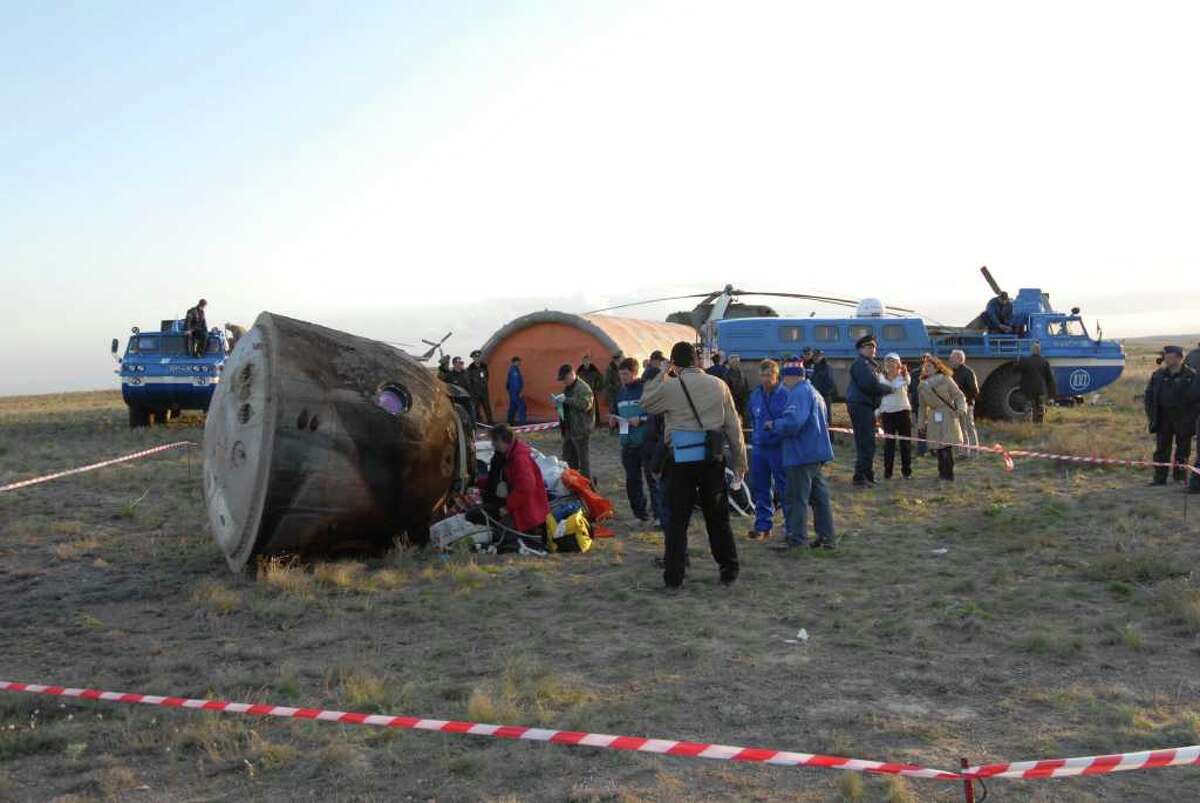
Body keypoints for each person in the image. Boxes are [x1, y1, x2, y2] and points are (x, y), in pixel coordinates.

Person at [641, 341, 747, 589]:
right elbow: (734, 426)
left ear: (674, 364)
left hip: (679, 460)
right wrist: (741, 461)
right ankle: (728, 569)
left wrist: (663, 374)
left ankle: (674, 576)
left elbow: (645, 401)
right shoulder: (718, 385)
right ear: (698, 361)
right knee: (717, 517)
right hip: (712, 458)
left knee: (677, 520)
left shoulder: (671, 386)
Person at [769, 357, 836, 550]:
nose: (782, 383)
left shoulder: (798, 394)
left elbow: (793, 422)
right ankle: (826, 537)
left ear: (790, 377)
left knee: (796, 498)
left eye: (784, 378)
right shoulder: (814, 392)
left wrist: (774, 425)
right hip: (816, 452)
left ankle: (796, 539)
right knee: (819, 498)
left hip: (800, 453)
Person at [467, 424, 550, 548]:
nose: (493, 444)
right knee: (474, 515)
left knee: (504, 541)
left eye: (495, 441)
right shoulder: (505, 456)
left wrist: (507, 507)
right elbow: (495, 480)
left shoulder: (519, 459)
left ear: (504, 440)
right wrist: (476, 482)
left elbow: (526, 487)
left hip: (521, 512)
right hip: (511, 506)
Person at [746, 360, 790, 540]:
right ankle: (763, 526)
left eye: (769, 376)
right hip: (759, 448)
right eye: (762, 376)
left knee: (784, 487)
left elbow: (789, 421)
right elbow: (751, 417)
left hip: (779, 448)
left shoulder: (786, 395)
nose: (765, 380)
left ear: (776, 375)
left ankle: (790, 526)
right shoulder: (755, 395)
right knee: (761, 487)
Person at [1144, 346, 1198, 485]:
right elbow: (1149, 396)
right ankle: (1159, 478)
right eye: (1166, 357)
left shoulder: (1191, 375)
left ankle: (1179, 478)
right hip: (1163, 418)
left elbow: (1196, 399)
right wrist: (1151, 414)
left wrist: (1192, 417)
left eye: (1170, 357)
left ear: (1180, 358)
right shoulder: (1158, 375)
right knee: (1161, 449)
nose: (1167, 359)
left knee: (1183, 450)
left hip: (1183, 418)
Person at [612, 357, 658, 523]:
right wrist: (614, 421)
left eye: (625, 374)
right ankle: (640, 514)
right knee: (632, 481)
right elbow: (616, 411)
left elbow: (655, 413)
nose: (622, 378)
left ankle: (658, 515)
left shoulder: (645, 390)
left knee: (652, 480)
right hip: (628, 443)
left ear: (634, 373)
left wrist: (641, 419)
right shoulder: (620, 393)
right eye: (620, 374)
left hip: (645, 442)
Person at [845, 334, 894, 486]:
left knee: (868, 442)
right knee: (865, 442)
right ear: (860, 349)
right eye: (868, 346)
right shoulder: (861, 364)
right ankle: (860, 477)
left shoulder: (870, 365)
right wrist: (889, 389)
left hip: (866, 406)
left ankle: (867, 474)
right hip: (861, 406)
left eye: (874, 346)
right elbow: (868, 385)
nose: (872, 349)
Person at [916, 356, 968, 481]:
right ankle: (941, 473)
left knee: (946, 446)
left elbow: (959, 395)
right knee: (938, 447)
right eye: (925, 366)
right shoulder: (922, 386)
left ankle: (948, 474)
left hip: (947, 414)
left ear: (936, 368)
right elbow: (922, 407)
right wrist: (921, 423)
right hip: (934, 416)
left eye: (929, 366)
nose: (926, 369)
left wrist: (961, 409)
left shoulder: (946, 379)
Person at [554, 364, 594, 480]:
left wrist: (566, 400)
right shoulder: (568, 388)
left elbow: (586, 405)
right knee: (568, 460)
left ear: (572, 375)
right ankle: (573, 483)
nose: (563, 382)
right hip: (569, 429)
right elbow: (568, 406)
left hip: (580, 429)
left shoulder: (583, 388)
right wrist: (559, 404)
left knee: (583, 462)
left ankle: (587, 486)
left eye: (564, 379)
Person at [877, 353, 913, 479]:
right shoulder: (880, 377)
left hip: (903, 412)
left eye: (893, 362)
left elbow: (907, 381)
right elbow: (878, 396)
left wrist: (903, 373)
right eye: (888, 362)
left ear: (898, 364)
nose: (890, 364)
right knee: (889, 445)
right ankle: (888, 473)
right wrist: (877, 413)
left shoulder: (903, 377)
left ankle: (906, 472)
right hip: (887, 413)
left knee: (905, 444)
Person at [948, 349, 980, 458]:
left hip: (967, 404)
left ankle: (974, 451)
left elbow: (974, 390)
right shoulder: (951, 372)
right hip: (955, 406)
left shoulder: (968, 372)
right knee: (960, 429)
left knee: (969, 427)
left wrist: (965, 400)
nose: (949, 360)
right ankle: (964, 452)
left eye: (952, 358)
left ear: (959, 359)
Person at [1016, 342, 1056, 423]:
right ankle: (1039, 424)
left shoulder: (1026, 361)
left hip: (1028, 390)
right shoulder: (1044, 362)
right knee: (1040, 408)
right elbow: (1050, 379)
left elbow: (1016, 370)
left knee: (1028, 408)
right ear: (1039, 351)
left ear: (1032, 350)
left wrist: (1018, 361)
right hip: (1040, 389)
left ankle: (1028, 425)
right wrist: (1051, 396)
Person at [577, 354, 605, 427]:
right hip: (582, 394)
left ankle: (596, 424)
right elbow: (576, 382)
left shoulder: (594, 371)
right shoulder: (579, 372)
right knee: (584, 409)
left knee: (594, 409)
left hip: (592, 393)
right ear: (582, 362)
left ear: (589, 362)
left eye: (587, 361)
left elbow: (600, 380)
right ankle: (584, 424)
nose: (586, 363)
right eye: (584, 361)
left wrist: (597, 389)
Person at [466, 350, 493, 424]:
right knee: (476, 408)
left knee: (487, 407)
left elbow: (487, 377)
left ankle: (490, 422)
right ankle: (479, 423)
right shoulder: (470, 368)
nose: (477, 358)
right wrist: (473, 391)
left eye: (478, 357)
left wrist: (483, 384)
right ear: (473, 358)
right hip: (475, 392)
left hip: (484, 391)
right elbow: (469, 381)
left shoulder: (484, 366)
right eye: (475, 357)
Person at [809, 350, 834, 424]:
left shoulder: (826, 367)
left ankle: (829, 435)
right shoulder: (814, 367)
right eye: (815, 356)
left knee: (826, 418)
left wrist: (823, 393)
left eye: (818, 356)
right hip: (816, 396)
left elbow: (830, 383)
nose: (816, 358)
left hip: (824, 396)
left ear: (822, 356)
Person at [725, 354, 750, 423]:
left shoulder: (742, 373)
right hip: (733, 400)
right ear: (731, 363)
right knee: (733, 418)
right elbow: (726, 388)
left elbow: (746, 385)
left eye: (738, 362)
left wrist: (746, 396)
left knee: (745, 418)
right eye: (735, 362)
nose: (737, 364)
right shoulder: (727, 374)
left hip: (742, 400)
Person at [604, 352, 623, 434]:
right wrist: (616, 387)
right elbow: (606, 383)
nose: (619, 362)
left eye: (619, 360)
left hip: (621, 394)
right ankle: (612, 430)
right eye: (617, 360)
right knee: (613, 412)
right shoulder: (610, 369)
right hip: (613, 395)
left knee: (621, 411)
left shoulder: (622, 368)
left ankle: (621, 429)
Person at [505, 356, 527, 425]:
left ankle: (510, 422)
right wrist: (519, 392)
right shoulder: (514, 371)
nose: (520, 363)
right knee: (521, 407)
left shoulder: (513, 369)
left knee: (513, 407)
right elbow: (516, 382)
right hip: (515, 392)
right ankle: (522, 423)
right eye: (519, 361)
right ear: (515, 362)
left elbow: (508, 383)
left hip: (512, 392)